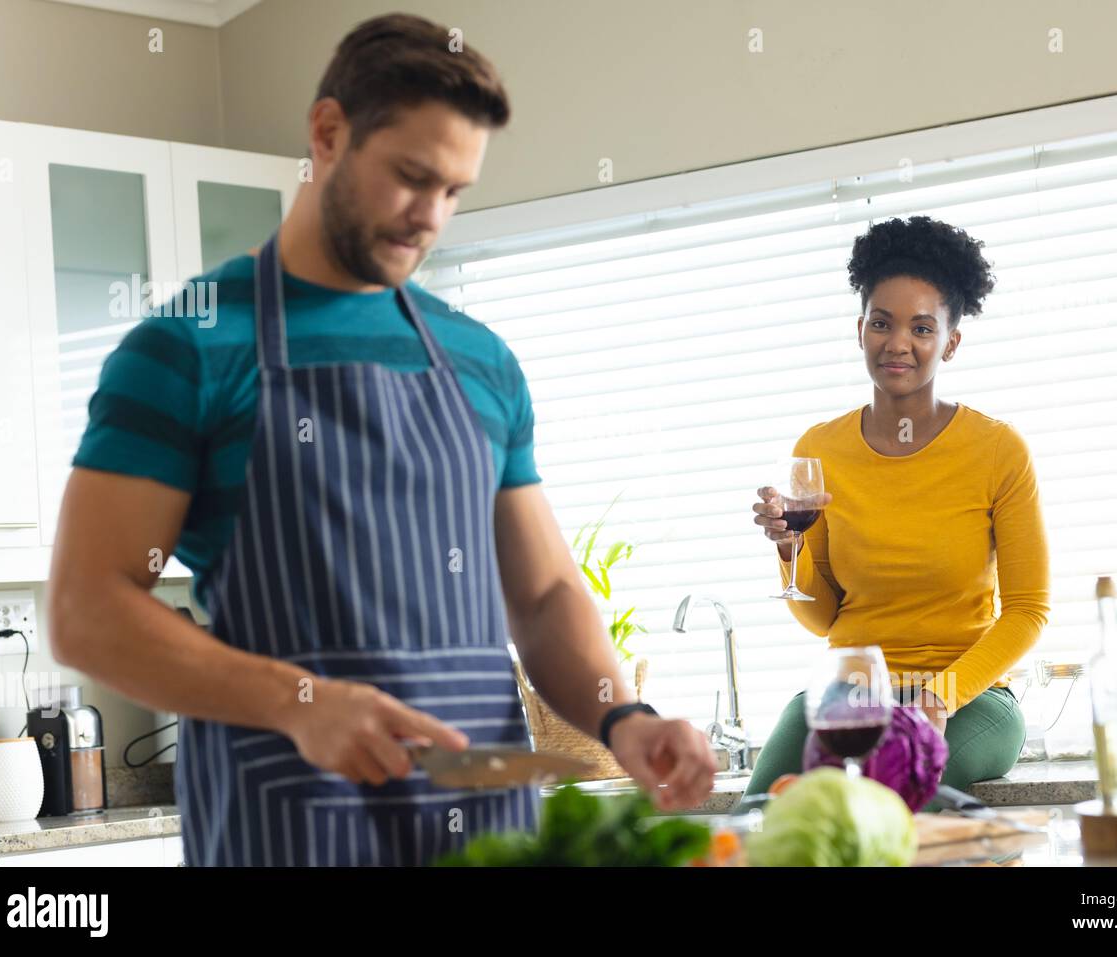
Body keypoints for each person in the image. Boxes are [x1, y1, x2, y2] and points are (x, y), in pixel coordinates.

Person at [47, 13, 715, 867]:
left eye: (455, 191)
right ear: (328, 134)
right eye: (411, 176)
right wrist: (297, 700)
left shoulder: (480, 361)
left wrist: (626, 717)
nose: (429, 216)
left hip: (483, 834)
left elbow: (544, 594)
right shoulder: (190, 346)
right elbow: (86, 608)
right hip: (285, 828)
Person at [744, 215, 1051, 802]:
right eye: (882, 323)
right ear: (860, 330)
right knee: (760, 814)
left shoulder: (997, 451)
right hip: (852, 692)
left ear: (951, 342)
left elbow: (1028, 611)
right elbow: (825, 620)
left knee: (889, 798)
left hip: (971, 700)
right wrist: (790, 549)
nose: (898, 343)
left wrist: (939, 694)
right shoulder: (820, 450)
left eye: (922, 327)